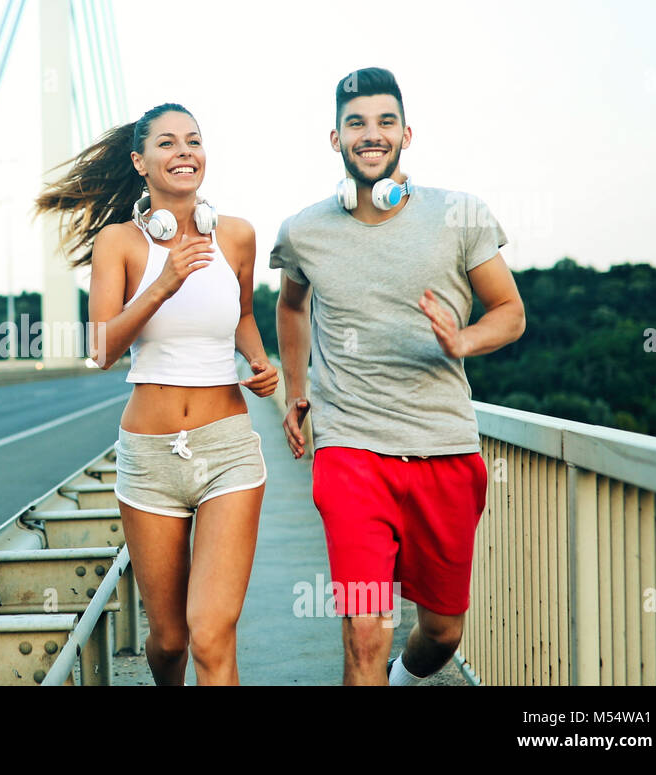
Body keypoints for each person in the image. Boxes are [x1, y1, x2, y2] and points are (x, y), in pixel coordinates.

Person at [270, 67, 526, 686]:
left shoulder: (459, 216)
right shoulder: (305, 231)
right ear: (335, 139)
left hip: (444, 447)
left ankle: (407, 677)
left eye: (385, 121)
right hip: (351, 451)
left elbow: (511, 312)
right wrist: (297, 392)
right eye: (356, 123)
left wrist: (462, 338)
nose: (371, 134)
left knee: (442, 630)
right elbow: (290, 304)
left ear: (407, 133)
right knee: (364, 628)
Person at [35, 103, 278, 686]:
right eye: (168, 143)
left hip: (227, 450)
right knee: (169, 642)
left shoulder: (237, 236)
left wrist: (262, 362)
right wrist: (164, 283)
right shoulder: (119, 243)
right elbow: (103, 349)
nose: (185, 152)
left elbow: (242, 315)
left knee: (211, 633)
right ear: (140, 162)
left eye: (193, 141)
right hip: (149, 457)